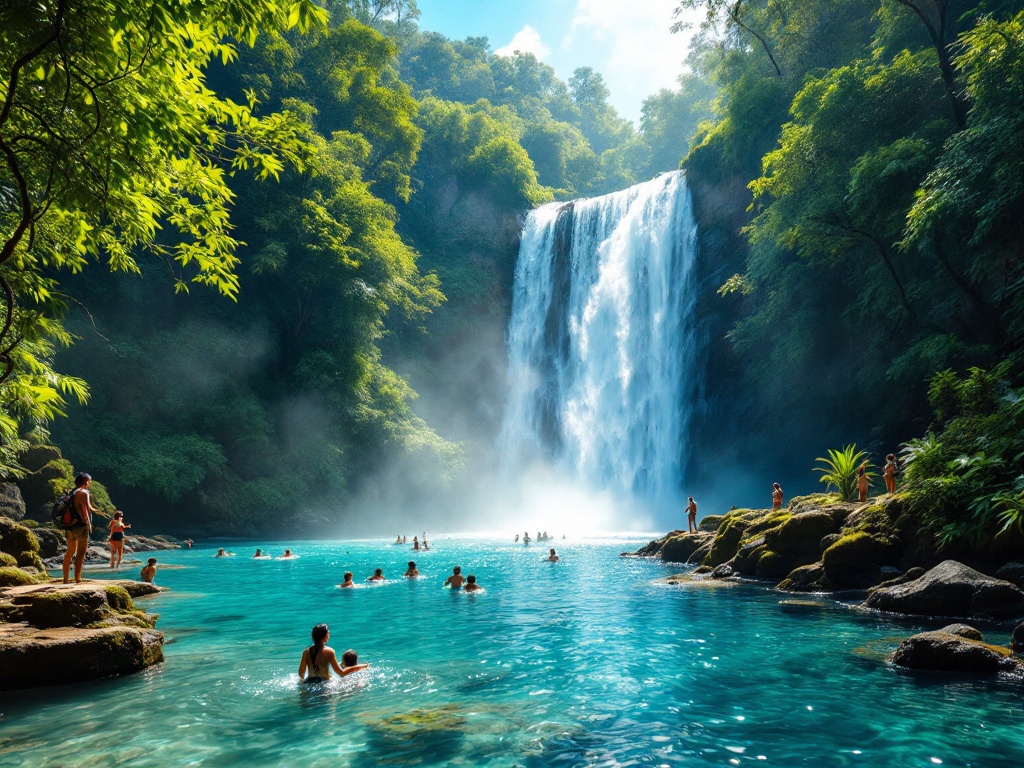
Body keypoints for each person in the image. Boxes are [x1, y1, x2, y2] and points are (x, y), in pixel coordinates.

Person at [62, 473, 95, 584]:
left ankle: (65, 579)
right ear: (86, 481)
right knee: (81, 552)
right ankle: (77, 579)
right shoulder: (83, 493)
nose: (89, 484)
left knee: (69, 552)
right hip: (80, 526)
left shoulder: (71, 492)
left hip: (69, 525)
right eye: (89, 482)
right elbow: (85, 510)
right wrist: (88, 524)